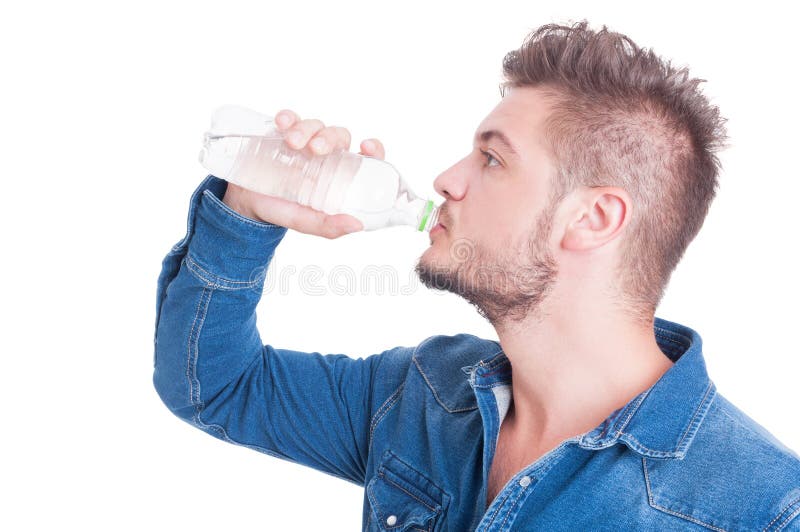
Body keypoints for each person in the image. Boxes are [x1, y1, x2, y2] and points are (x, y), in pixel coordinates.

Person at [153, 20, 800, 531]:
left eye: (492, 159)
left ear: (593, 218)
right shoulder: (424, 395)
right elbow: (215, 385)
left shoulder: (763, 510)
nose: (446, 180)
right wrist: (246, 212)